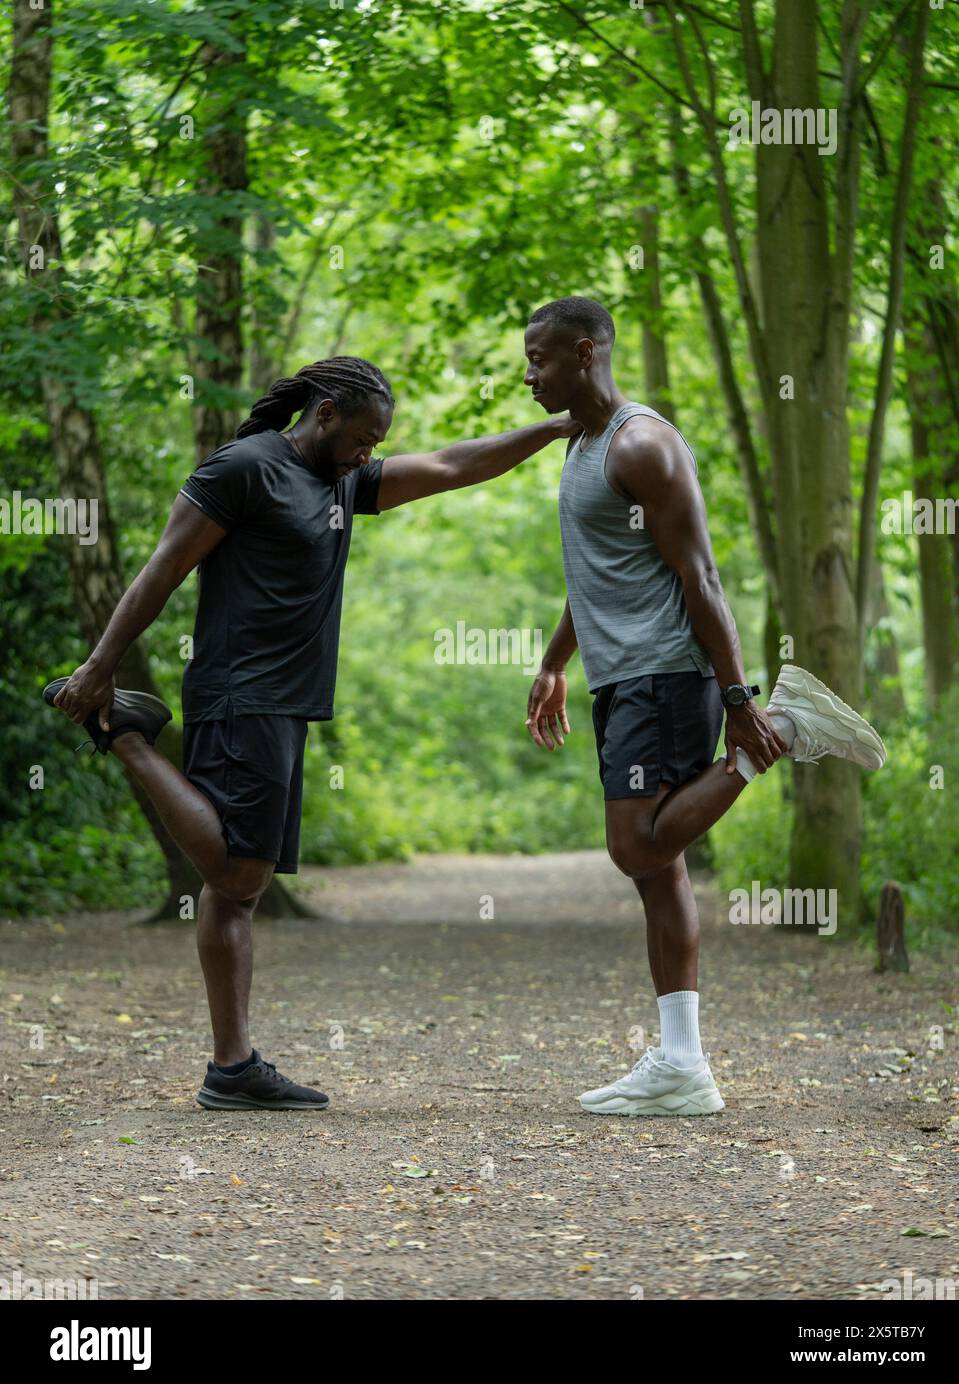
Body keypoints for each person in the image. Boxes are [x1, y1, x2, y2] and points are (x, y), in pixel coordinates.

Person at [45, 355, 580, 1111]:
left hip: (288, 705)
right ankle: (127, 736)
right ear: (324, 414)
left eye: (377, 442)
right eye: (363, 436)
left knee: (233, 895)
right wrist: (100, 668)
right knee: (238, 877)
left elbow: (454, 465)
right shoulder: (244, 470)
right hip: (241, 693)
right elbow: (163, 566)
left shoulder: (343, 482)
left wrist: (556, 427)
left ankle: (231, 1069)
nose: (370, 452)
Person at [523, 297, 885, 1118]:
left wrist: (738, 701)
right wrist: (553, 663)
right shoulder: (580, 446)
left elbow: (701, 576)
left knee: (635, 849)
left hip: (663, 672)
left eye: (540, 359)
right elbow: (600, 574)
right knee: (660, 870)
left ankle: (783, 731)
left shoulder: (642, 445)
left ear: (585, 353)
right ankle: (681, 1066)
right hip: (621, 676)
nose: (527, 375)